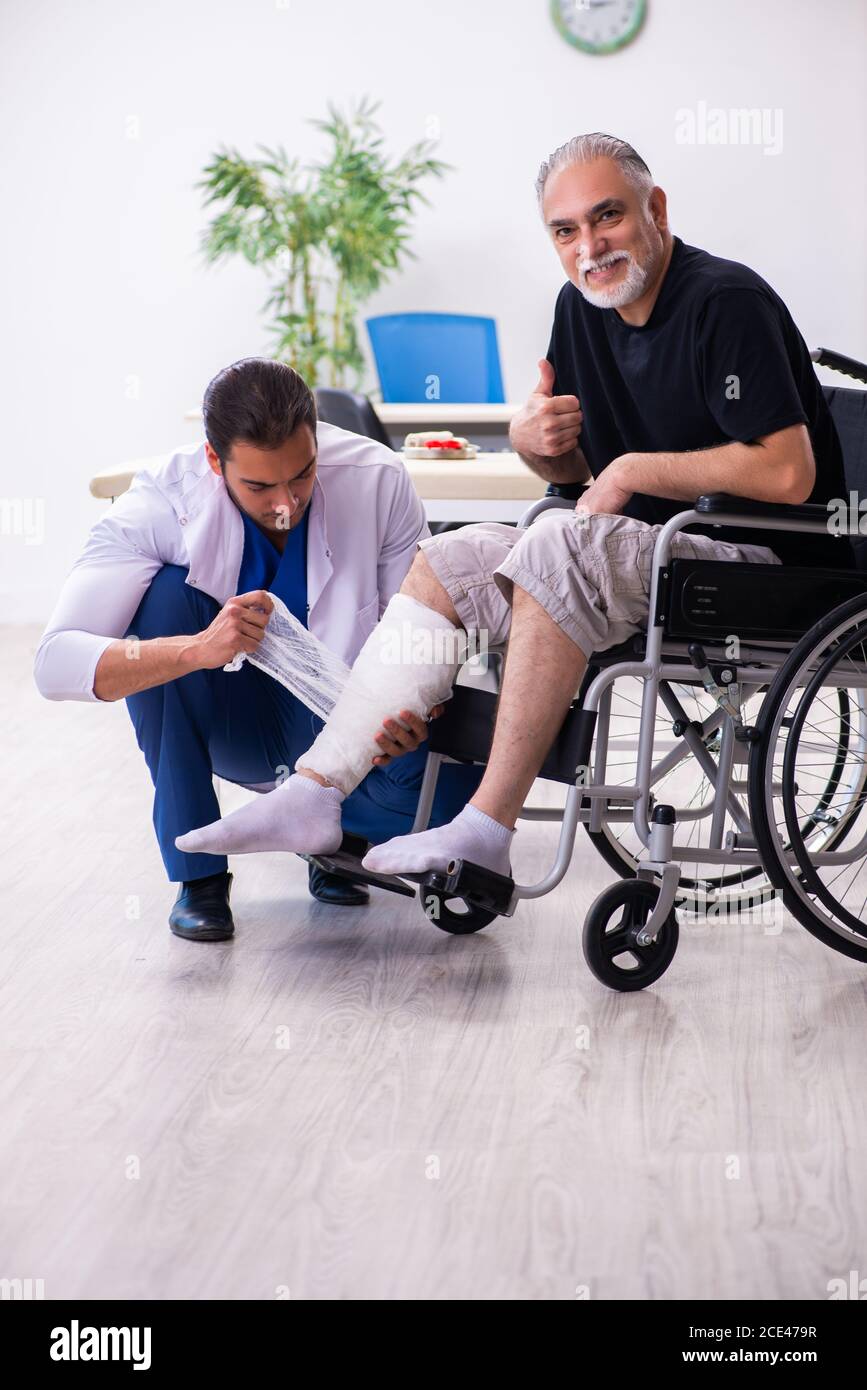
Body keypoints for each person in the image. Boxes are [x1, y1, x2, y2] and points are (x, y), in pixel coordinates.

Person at [177, 132, 853, 884]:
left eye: (608, 218)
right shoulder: (582, 307)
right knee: (447, 558)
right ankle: (315, 788)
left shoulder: (726, 303)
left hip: (767, 565)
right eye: (565, 231)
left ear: (654, 209)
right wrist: (535, 443)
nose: (588, 246)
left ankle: (484, 827)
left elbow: (789, 472)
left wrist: (629, 469)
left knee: (557, 546)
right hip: (651, 554)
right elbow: (578, 477)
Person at [34, 359, 483, 940]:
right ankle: (199, 877)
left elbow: (419, 625)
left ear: (316, 438)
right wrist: (195, 650)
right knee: (164, 601)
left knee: (456, 812)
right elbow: (55, 662)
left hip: (349, 729)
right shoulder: (160, 502)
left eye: (301, 476)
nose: (284, 504)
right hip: (239, 723)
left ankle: (331, 843)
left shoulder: (377, 477)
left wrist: (416, 701)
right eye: (259, 486)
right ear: (215, 461)